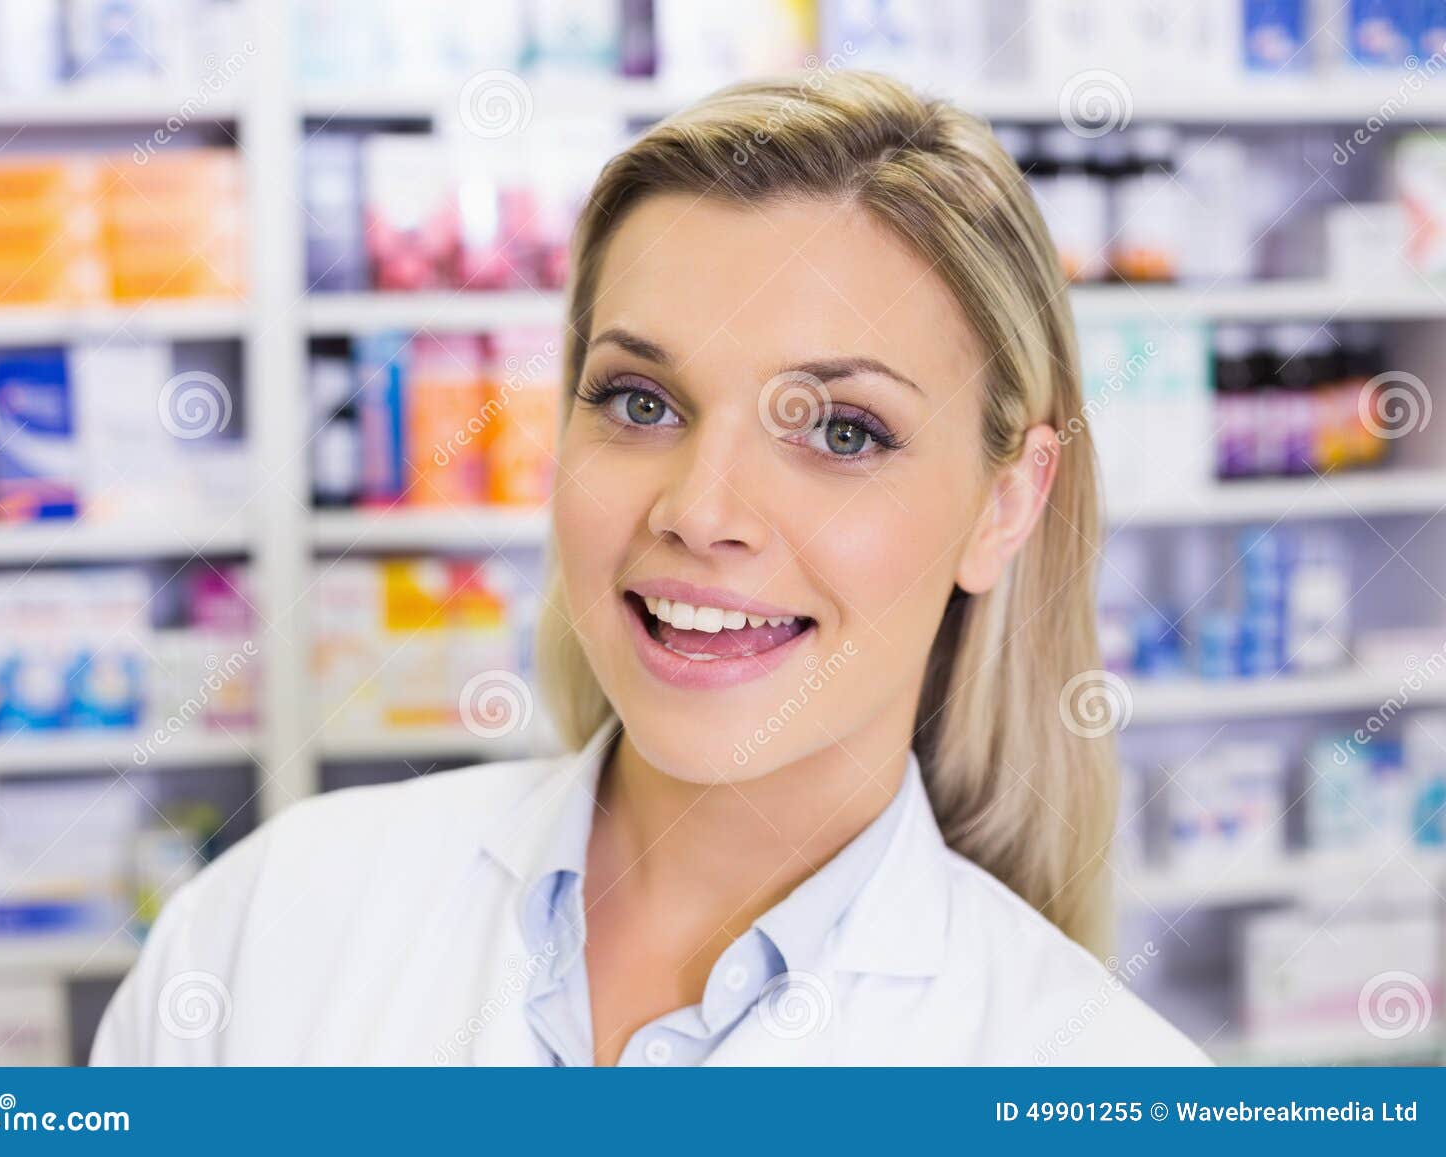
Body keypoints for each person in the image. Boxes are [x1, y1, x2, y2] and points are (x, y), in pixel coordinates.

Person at [91, 70, 1210, 1066]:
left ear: (1005, 501)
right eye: (641, 401)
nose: (701, 510)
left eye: (841, 431)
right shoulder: (263, 931)